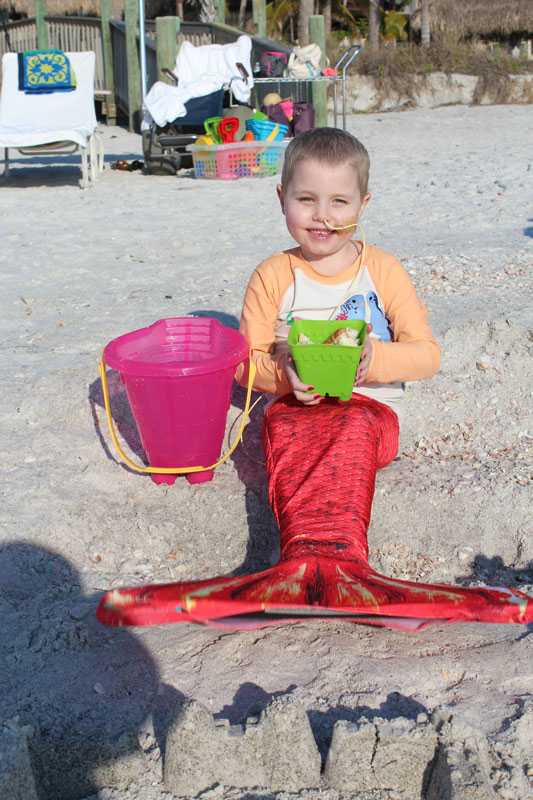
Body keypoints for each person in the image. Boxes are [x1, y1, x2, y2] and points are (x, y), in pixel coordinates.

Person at [97, 130, 533, 631]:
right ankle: (309, 561)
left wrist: (374, 359)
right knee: (286, 425)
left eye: (338, 201)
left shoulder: (383, 271)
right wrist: (282, 376)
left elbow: (427, 355)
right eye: (306, 200)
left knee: (348, 424)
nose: (322, 215)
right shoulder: (274, 275)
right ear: (281, 198)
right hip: (294, 409)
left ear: (363, 205)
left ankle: (335, 559)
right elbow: (244, 363)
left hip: (371, 416)